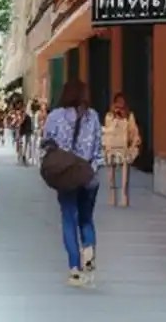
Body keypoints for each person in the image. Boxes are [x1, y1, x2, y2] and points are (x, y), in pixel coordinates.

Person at [41, 79, 103, 287]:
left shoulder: (55, 117)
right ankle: (89, 255)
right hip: (88, 174)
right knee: (86, 219)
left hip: (66, 175)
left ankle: (74, 269)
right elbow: (97, 149)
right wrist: (92, 168)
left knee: (69, 218)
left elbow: (46, 143)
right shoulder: (92, 116)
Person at [101, 92, 141, 206]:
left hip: (123, 147)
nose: (119, 104)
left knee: (124, 171)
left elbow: (133, 130)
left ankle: (124, 195)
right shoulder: (109, 116)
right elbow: (108, 130)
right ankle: (112, 195)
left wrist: (133, 144)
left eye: (121, 102)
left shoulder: (129, 116)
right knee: (111, 172)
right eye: (117, 102)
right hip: (111, 147)